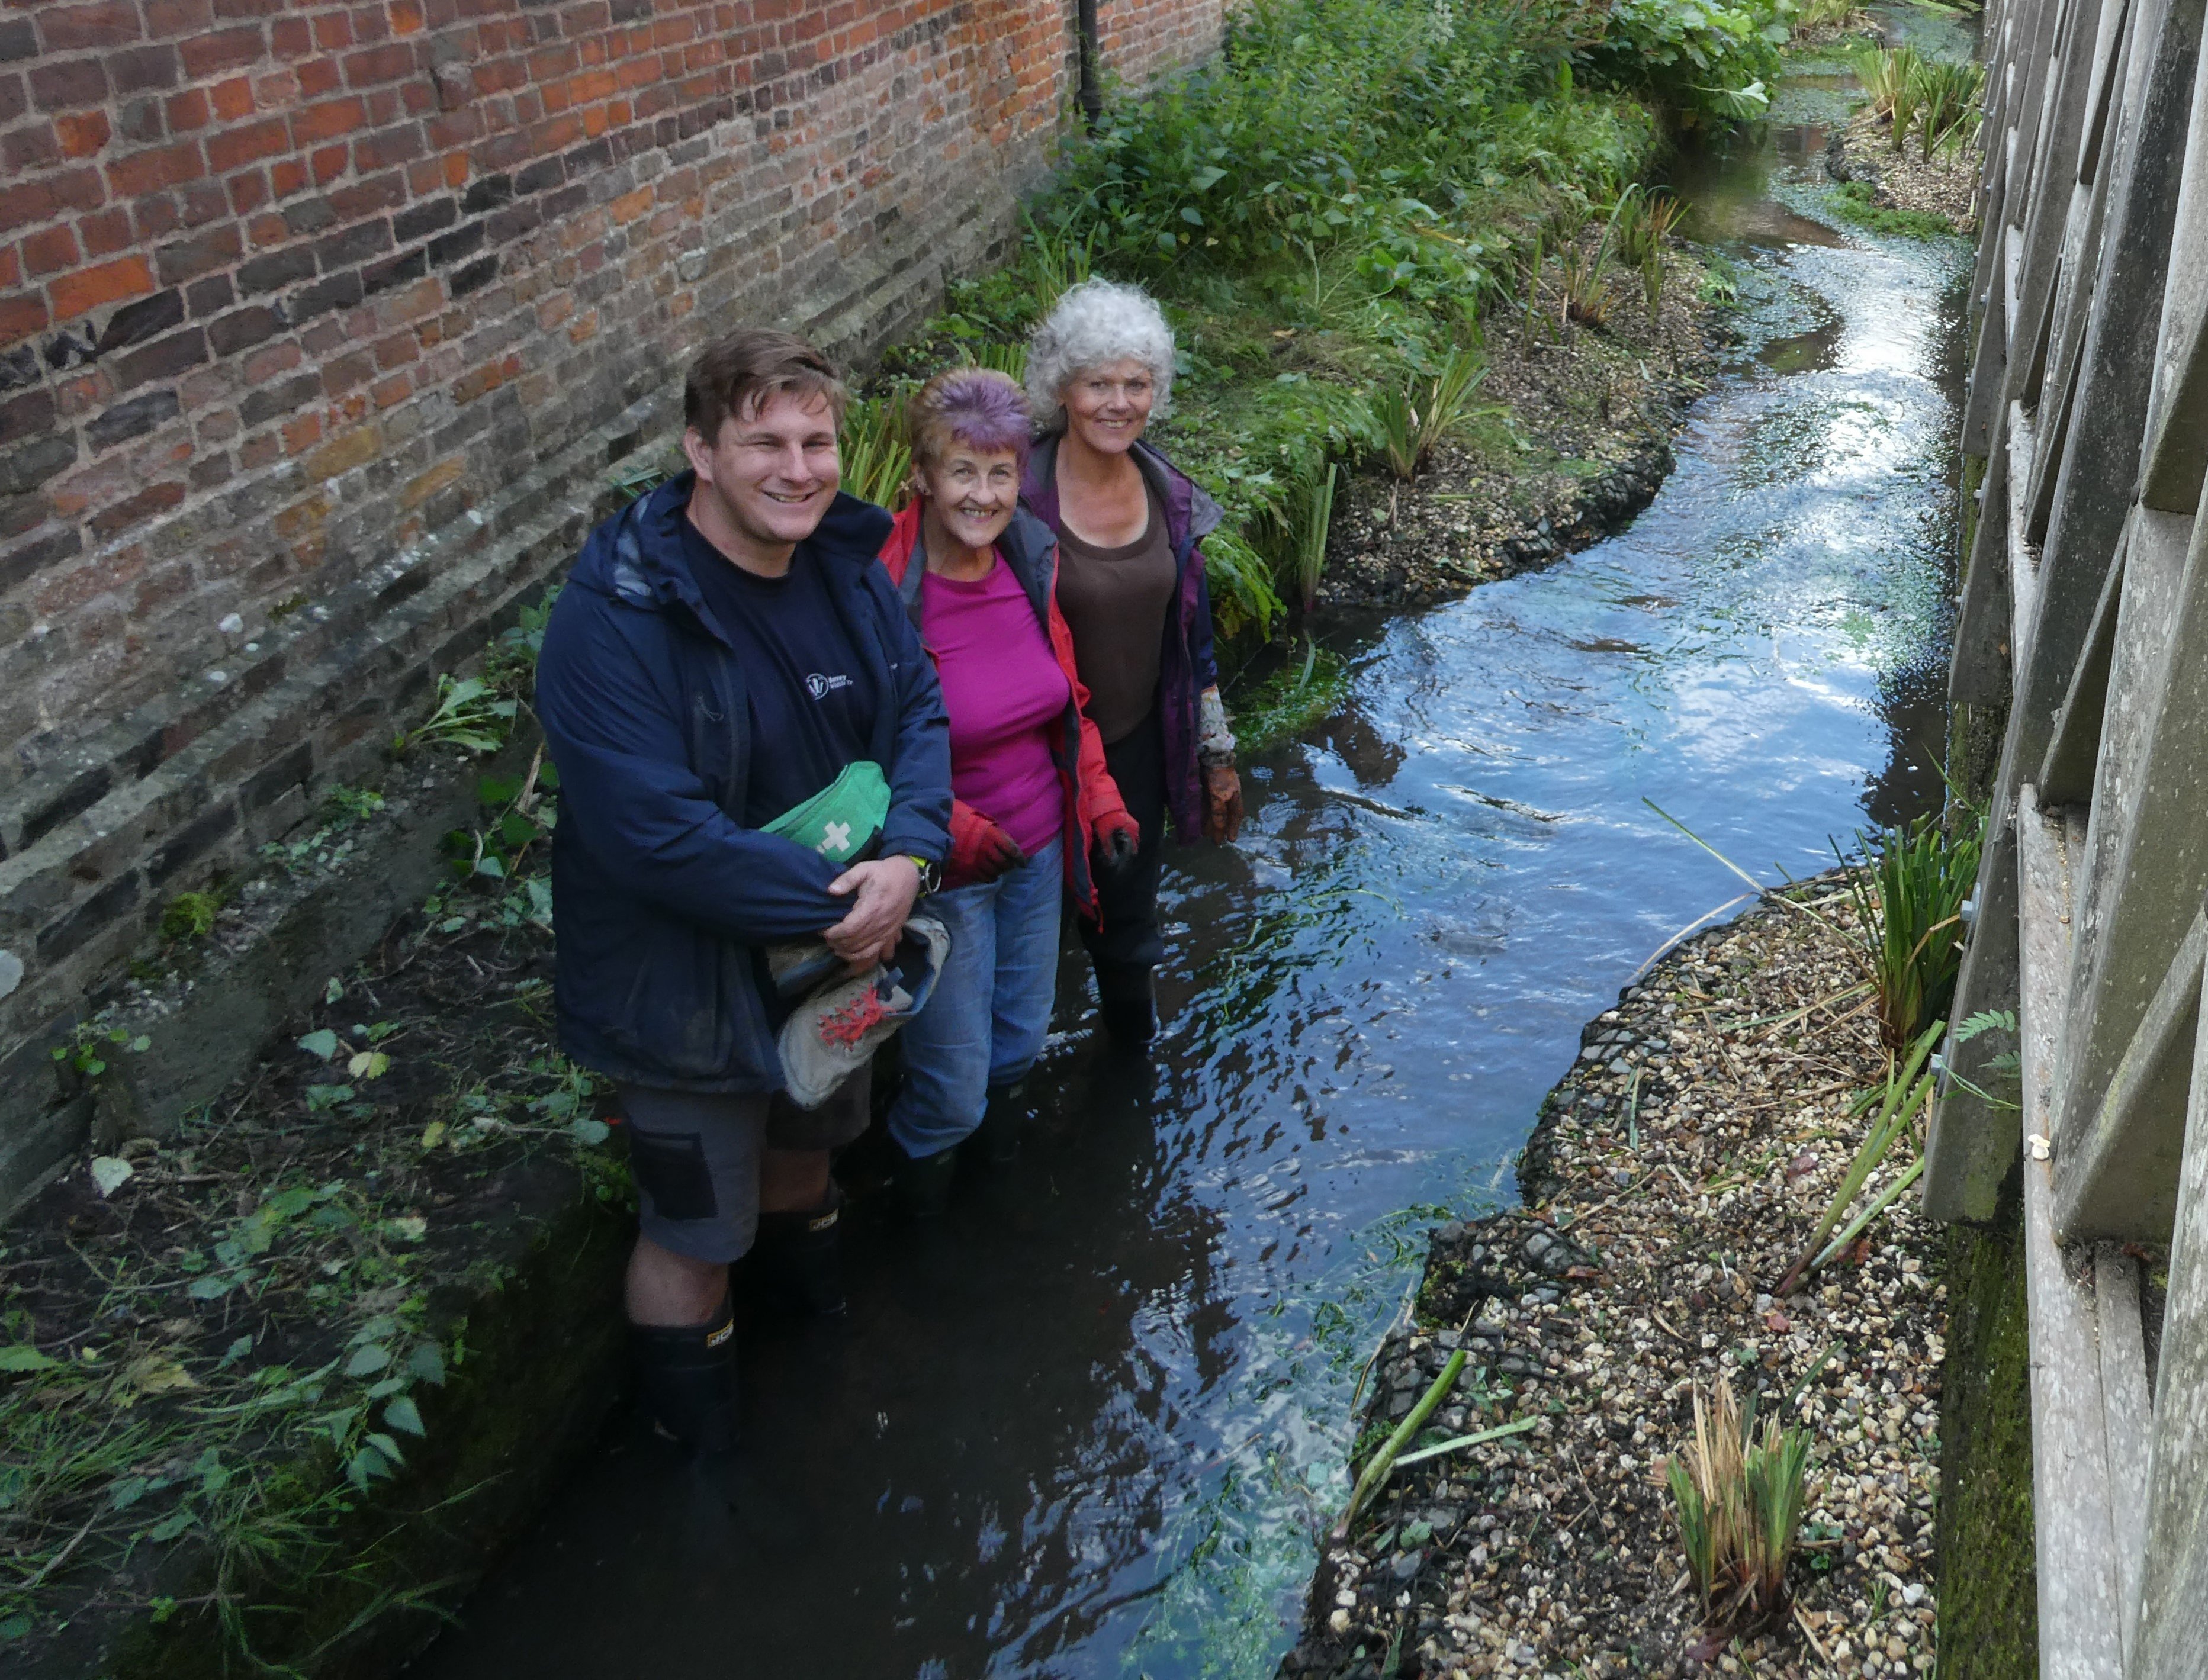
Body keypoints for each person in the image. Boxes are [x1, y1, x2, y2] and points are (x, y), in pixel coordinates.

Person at [535, 328, 952, 1466]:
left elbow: (917, 711)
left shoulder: (842, 569)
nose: (798, 467)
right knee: (693, 1229)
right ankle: (701, 1457)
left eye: (816, 439)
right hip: (687, 993)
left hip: (836, 959)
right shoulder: (615, 618)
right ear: (699, 452)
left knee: (811, 1147)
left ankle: (814, 1350)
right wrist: (843, 901)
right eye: (762, 439)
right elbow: (654, 837)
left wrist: (910, 857)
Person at [875, 368, 1140, 1211]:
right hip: (944, 873)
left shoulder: (1028, 559)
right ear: (921, 475)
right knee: (950, 1087)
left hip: (1037, 853)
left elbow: (1067, 705)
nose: (983, 495)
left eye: (999, 474)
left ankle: (991, 1216)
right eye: (961, 471)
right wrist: (942, 826)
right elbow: (851, 749)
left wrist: (1099, 799)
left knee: (1018, 1048)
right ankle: (921, 1242)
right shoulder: (882, 585)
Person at [1020, 278, 1245, 1047]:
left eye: (1136, 383)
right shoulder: (1015, 497)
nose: (1118, 402)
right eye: (1098, 383)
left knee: (1129, 935)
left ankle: (1125, 1083)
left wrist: (1217, 757)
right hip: (1033, 759)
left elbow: (1196, 646)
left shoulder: (1170, 497)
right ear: (1061, 390)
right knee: (1027, 932)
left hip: (1138, 750)